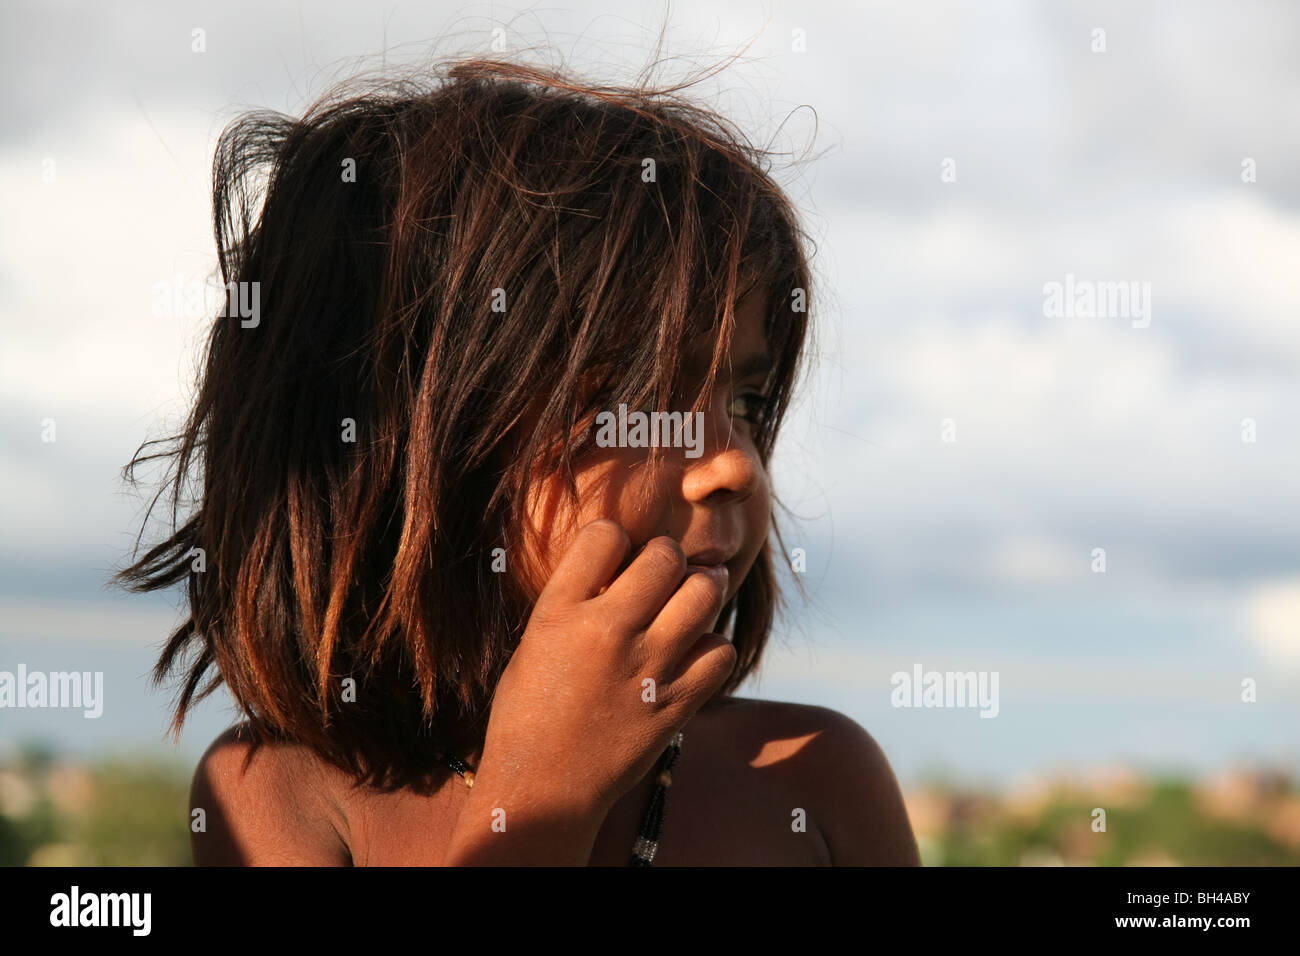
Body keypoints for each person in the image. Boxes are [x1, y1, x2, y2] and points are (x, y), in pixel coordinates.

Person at [113, 56, 920, 866]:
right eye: (637, 402)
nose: (734, 466)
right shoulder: (278, 799)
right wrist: (540, 803)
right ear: (398, 448)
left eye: (743, 404)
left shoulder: (814, 780)